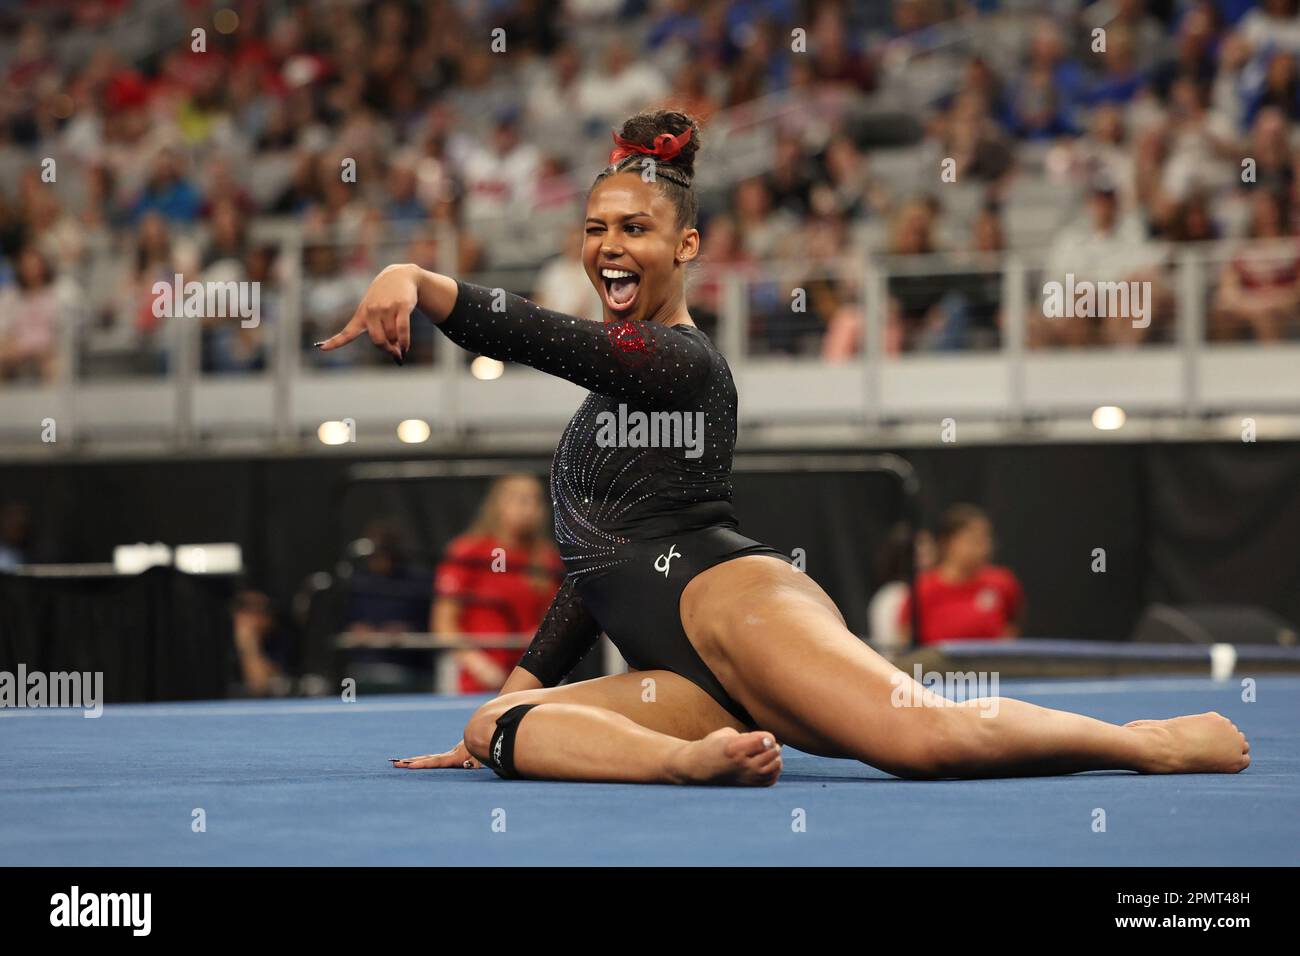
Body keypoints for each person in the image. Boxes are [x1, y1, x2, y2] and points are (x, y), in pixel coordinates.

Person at [320, 110, 1250, 785]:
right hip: (677, 673)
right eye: (596, 227)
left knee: (923, 740)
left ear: (688, 245)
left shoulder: (679, 361)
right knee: (493, 728)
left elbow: (543, 338)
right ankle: (690, 763)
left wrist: (424, 281)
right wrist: (521, 690)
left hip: (736, 607)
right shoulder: (613, 397)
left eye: (635, 228)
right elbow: (594, 564)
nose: (609, 246)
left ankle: (1146, 742)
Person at [432, 475, 564, 693]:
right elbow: (443, 624)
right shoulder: (468, 551)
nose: (530, 509)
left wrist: (542, 645)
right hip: (475, 681)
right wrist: (477, 663)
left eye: (536, 500)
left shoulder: (546, 557)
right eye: (521, 500)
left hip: (532, 677)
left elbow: (555, 618)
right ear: (499, 504)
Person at [898, 505, 1024, 647]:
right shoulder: (923, 587)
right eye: (973, 541)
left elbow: (1011, 626)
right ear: (947, 543)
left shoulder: (1002, 582)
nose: (983, 548)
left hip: (990, 666)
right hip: (936, 667)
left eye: (986, 540)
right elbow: (905, 635)